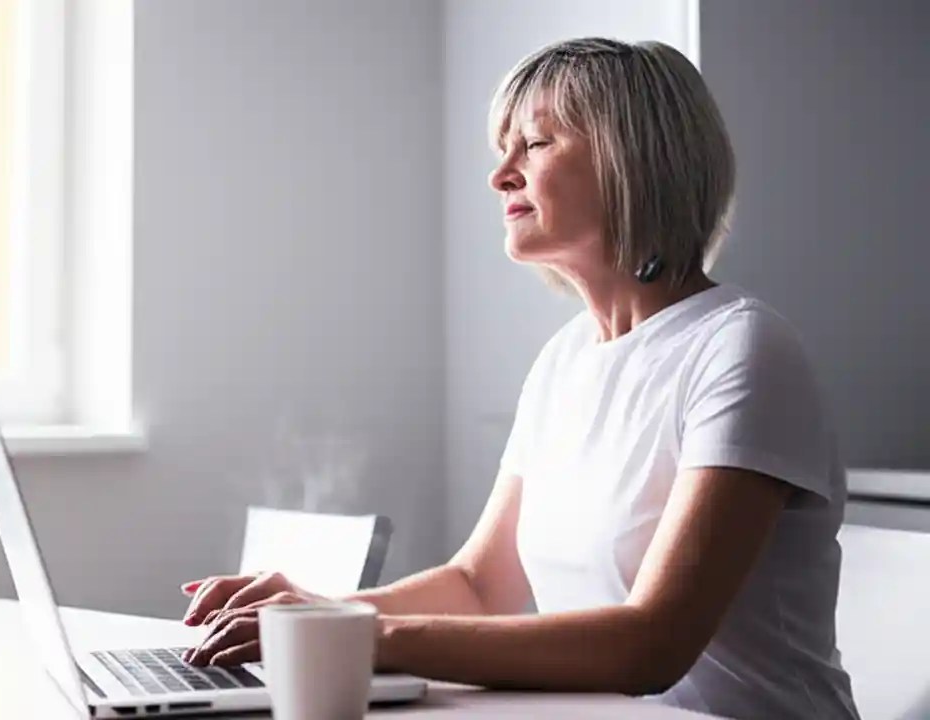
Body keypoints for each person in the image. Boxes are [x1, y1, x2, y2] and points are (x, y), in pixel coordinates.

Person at [177, 37, 859, 720]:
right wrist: (312, 613)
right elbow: (479, 585)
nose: (501, 175)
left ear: (637, 160)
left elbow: (651, 646)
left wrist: (368, 636)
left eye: (534, 143)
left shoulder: (742, 349)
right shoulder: (565, 360)